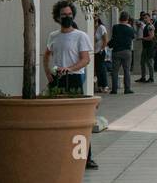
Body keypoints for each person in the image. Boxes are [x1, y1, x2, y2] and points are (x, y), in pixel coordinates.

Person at [44, 9, 98, 169]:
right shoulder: (53, 36)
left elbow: (85, 59)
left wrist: (70, 68)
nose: (66, 17)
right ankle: (59, 154)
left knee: (78, 119)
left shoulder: (81, 36)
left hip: (73, 79)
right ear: (57, 17)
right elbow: (46, 54)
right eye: (63, 15)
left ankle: (85, 157)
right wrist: (48, 72)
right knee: (56, 118)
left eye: (69, 14)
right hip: (57, 78)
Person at [110, 11, 136, 94]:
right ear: (127, 19)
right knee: (127, 70)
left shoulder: (115, 27)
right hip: (126, 51)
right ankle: (127, 89)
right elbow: (133, 37)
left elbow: (113, 37)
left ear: (119, 18)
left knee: (115, 71)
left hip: (116, 51)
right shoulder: (130, 28)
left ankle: (114, 89)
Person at [93, 15, 110, 93]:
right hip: (94, 51)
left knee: (102, 68)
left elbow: (105, 39)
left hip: (101, 51)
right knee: (97, 69)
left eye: (95, 17)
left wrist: (102, 49)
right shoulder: (92, 28)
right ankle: (99, 86)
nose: (94, 19)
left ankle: (105, 85)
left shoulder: (101, 27)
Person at [138, 12, 156, 83]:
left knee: (149, 63)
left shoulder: (150, 26)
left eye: (146, 18)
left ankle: (151, 78)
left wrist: (142, 38)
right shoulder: (146, 26)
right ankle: (143, 77)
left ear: (149, 18)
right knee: (142, 62)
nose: (144, 19)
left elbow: (151, 37)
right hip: (145, 47)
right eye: (144, 18)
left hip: (149, 47)